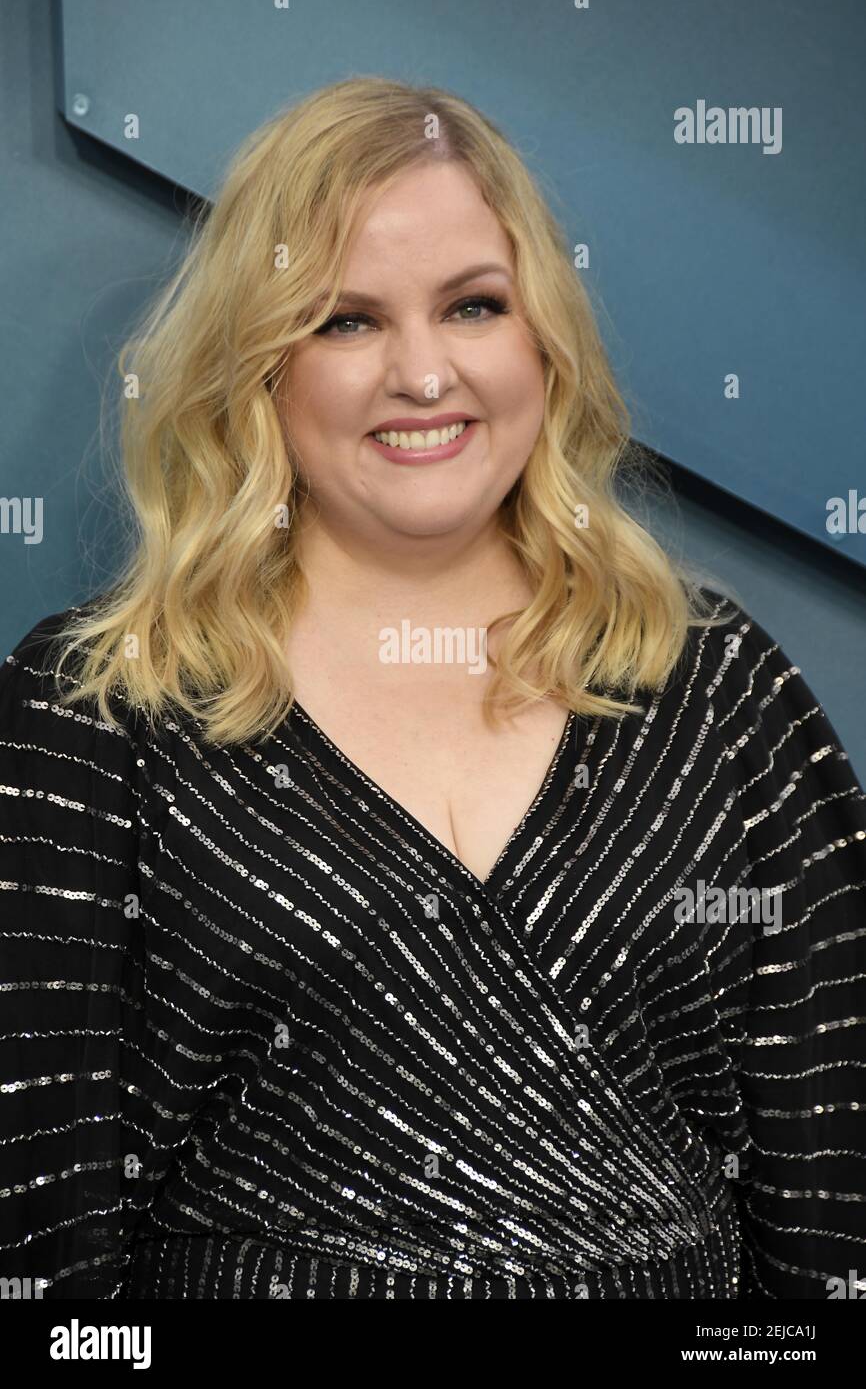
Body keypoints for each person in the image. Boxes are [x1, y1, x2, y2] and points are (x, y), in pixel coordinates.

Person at [1, 77, 864, 1301]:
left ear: (541, 339)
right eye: (345, 321)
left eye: (471, 306)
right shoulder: (94, 712)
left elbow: (832, 1192)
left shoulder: (719, 696)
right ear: (259, 364)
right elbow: (36, 1232)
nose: (421, 374)